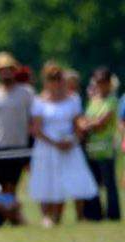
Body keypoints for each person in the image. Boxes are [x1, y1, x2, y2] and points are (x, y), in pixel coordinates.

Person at [28, 62, 97, 227]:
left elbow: (77, 122)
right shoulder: (39, 102)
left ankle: (76, 215)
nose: (56, 82)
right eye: (52, 78)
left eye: (59, 78)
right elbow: (36, 129)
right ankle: (47, 216)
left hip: (69, 145)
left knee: (75, 178)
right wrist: (55, 143)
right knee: (47, 180)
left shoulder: (73, 100)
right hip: (47, 146)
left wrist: (74, 138)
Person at [0, 52, 33, 196]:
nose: (6, 73)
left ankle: (11, 207)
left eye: (9, 69)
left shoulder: (26, 93)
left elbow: (32, 120)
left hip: (19, 145)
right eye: (3, 70)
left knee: (14, 184)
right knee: (1, 185)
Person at [80, 67, 120, 221]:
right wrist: (88, 124)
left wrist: (88, 125)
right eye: (97, 82)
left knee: (109, 184)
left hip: (106, 149)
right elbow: (85, 119)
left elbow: (101, 123)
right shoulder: (93, 100)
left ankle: (113, 214)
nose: (100, 85)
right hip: (91, 149)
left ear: (109, 83)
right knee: (93, 183)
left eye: (103, 82)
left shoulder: (112, 100)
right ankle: (95, 214)